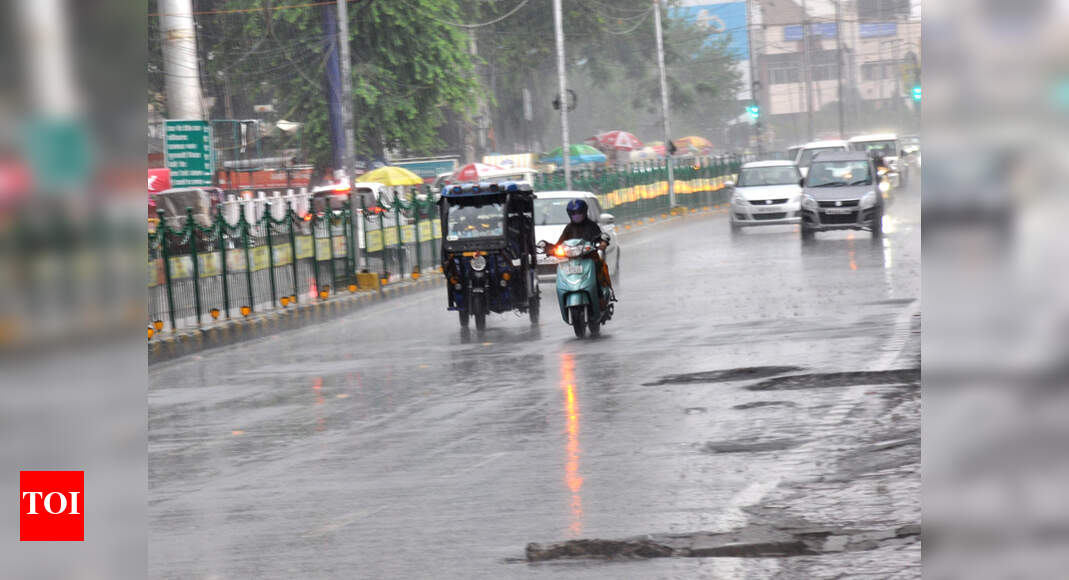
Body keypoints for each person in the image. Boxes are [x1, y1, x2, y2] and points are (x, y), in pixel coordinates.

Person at [555, 199, 616, 302]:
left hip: (590, 258)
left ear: (584, 212)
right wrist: (551, 249)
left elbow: (601, 236)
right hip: (571, 261)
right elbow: (560, 243)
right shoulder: (568, 228)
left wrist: (603, 242)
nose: (576, 215)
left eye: (579, 213)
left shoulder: (592, 226)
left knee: (601, 268)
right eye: (573, 213)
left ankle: (602, 295)